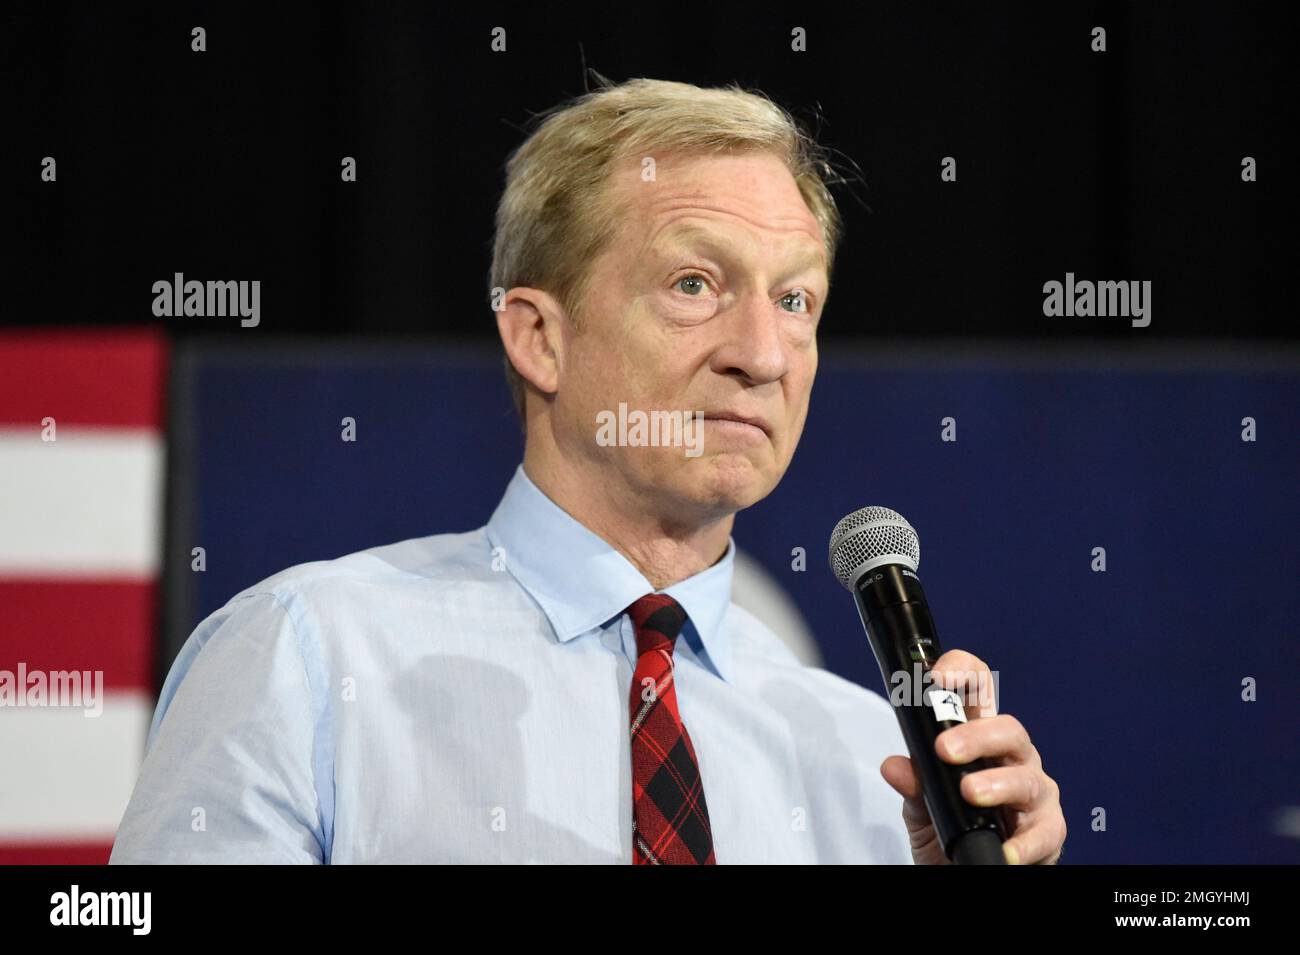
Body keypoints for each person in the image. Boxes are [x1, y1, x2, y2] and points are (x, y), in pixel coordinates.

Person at [110, 76, 1065, 865]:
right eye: (696, 284)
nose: (763, 353)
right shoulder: (308, 659)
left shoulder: (874, 758)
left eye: (795, 298)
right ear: (539, 337)